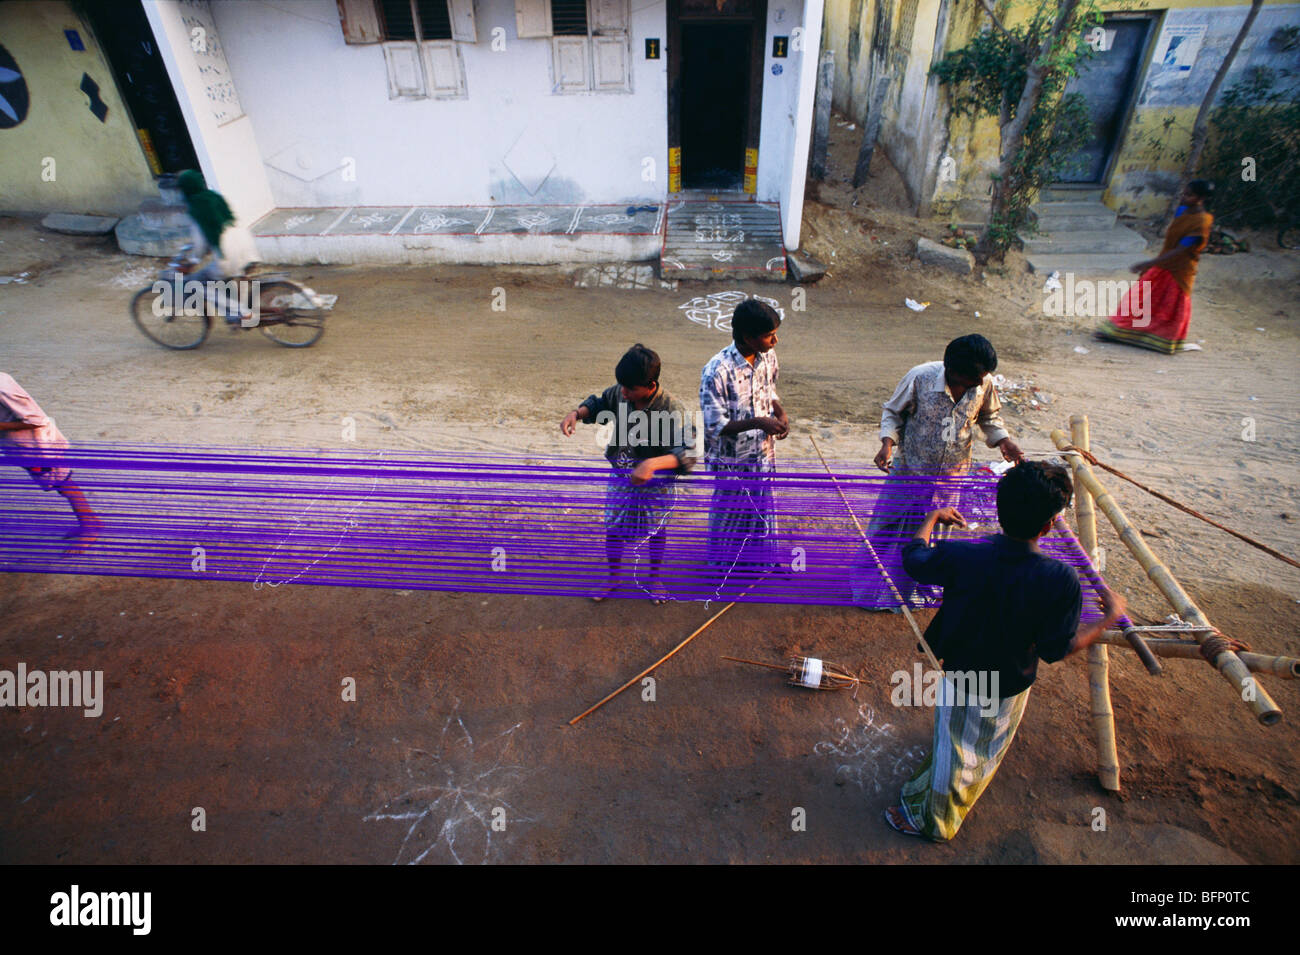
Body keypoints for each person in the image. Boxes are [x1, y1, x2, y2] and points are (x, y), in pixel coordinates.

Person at [882, 461, 1126, 841]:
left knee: (955, 738)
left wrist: (932, 517)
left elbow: (914, 559)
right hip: (1011, 682)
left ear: (998, 509)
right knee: (985, 742)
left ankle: (934, 816)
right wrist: (1108, 619)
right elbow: (1056, 648)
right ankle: (941, 808)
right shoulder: (1060, 580)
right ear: (1048, 525)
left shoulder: (961, 556)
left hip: (961, 671)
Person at [853, 334, 1022, 609]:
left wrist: (1004, 440)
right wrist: (887, 444)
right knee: (888, 527)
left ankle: (918, 590)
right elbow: (893, 413)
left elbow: (989, 417)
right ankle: (873, 590)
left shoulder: (984, 383)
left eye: (984, 376)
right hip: (910, 472)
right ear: (954, 371)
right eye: (975, 377)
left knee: (933, 535)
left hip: (950, 479)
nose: (981, 382)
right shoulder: (920, 378)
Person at [561, 344, 696, 604]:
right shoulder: (621, 394)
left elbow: (689, 453)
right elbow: (600, 404)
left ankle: (654, 577)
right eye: (621, 385)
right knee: (613, 525)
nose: (623, 392)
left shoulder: (672, 410)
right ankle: (613, 577)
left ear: (651, 385)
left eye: (630, 388)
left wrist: (652, 464)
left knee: (657, 527)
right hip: (622, 476)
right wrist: (576, 414)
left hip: (658, 483)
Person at [699, 299, 788, 576]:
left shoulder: (768, 357)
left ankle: (764, 559)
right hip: (730, 459)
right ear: (748, 338)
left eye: (775, 332)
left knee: (762, 505)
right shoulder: (717, 370)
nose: (776, 340)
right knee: (730, 511)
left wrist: (781, 414)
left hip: (762, 453)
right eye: (769, 335)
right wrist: (760, 422)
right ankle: (723, 567)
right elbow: (716, 425)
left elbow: (769, 390)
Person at [1095, 179, 1214, 354]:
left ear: (1201, 198)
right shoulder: (1182, 211)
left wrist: (1149, 263)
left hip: (1179, 269)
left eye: (1189, 195)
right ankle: (1121, 330)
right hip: (1163, 262)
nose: (1184, 197)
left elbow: (1181, 249)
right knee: (1142, 298)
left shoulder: (1202, 222)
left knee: (1169, 304)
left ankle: (1161, 338)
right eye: (1184, 193)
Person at [0, 373, 99, 552]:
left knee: (64, 484)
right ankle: (91, 520)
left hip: (38, 446)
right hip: (22, 448)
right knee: (61, 484)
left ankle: (89, 526)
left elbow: (35, 420)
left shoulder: (1, 386)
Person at [176, 169, 259, 323]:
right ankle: (237, 315)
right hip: (245, 243)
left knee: (194, 284)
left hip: (228, 252)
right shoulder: (215, 196)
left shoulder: (196, 207)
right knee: (224, 277)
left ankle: (242, 312)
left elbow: (199, 244)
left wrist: (191, 262)